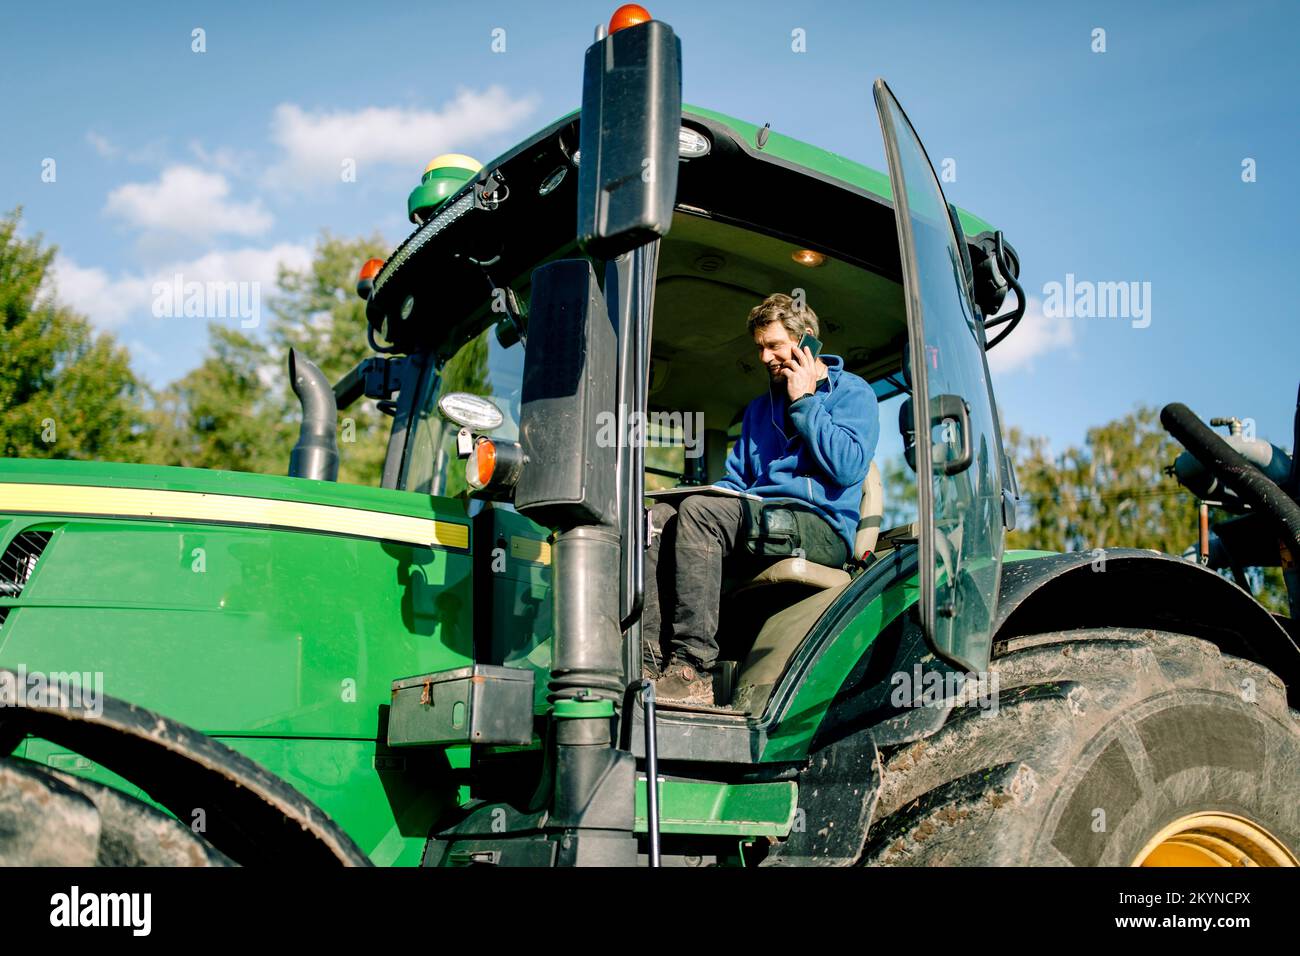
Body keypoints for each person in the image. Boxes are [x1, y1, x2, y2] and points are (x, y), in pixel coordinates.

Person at [643, 293, 879, 705]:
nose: (765, 356)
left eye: (773, 345)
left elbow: (848, 467)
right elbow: (737, 481)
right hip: (762, 519)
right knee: (659, 516)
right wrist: (704, 493)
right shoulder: (757, 410)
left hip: (819, 526)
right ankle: (648, 664)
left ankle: (691, 670)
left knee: (700, 514)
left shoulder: (852, 393)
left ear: (805, 341)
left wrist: (804, 400)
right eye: (760, 348)